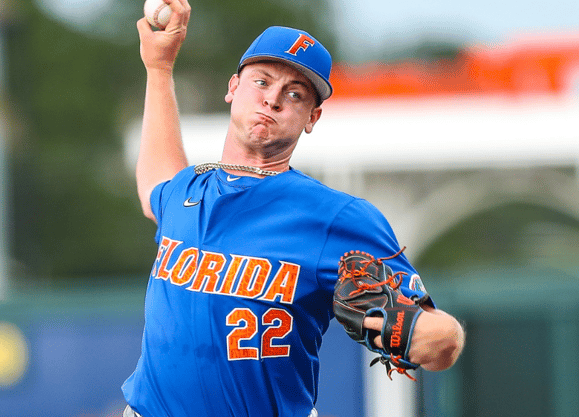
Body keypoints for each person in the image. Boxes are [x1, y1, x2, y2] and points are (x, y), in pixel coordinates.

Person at [122, 1, 465, 415]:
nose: (273, 99)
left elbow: (438, 340)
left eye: (294, 93)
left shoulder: (334, 217)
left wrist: (440, 335)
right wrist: (158, 69)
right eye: (262, 82)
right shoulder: (188, 191)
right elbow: (153, 186)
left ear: (312, 116)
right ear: (233, 87)